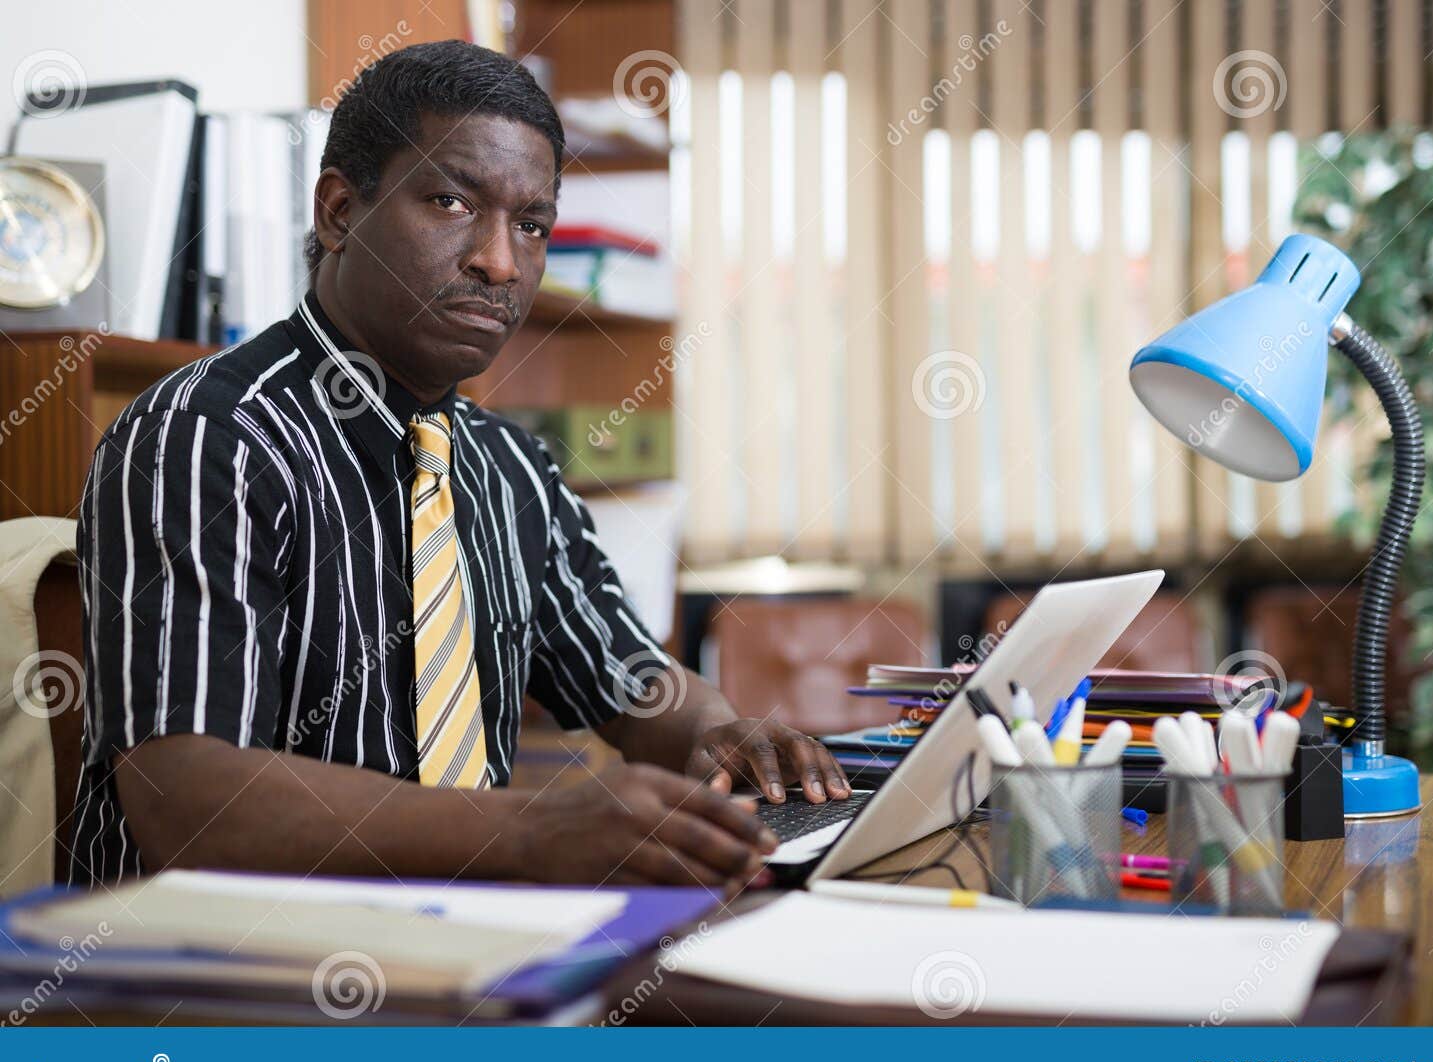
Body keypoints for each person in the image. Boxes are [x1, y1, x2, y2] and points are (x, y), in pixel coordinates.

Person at [69, 39, 849, 890]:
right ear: (338, 211)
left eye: (531, 224)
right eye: (449, 201)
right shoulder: (207, 436)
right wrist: (525, 830)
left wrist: (718, 729)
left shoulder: (509, 466)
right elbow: (187, 802)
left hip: (468, 959)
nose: (500, 262)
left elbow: (632, 682)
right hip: (221, 984)